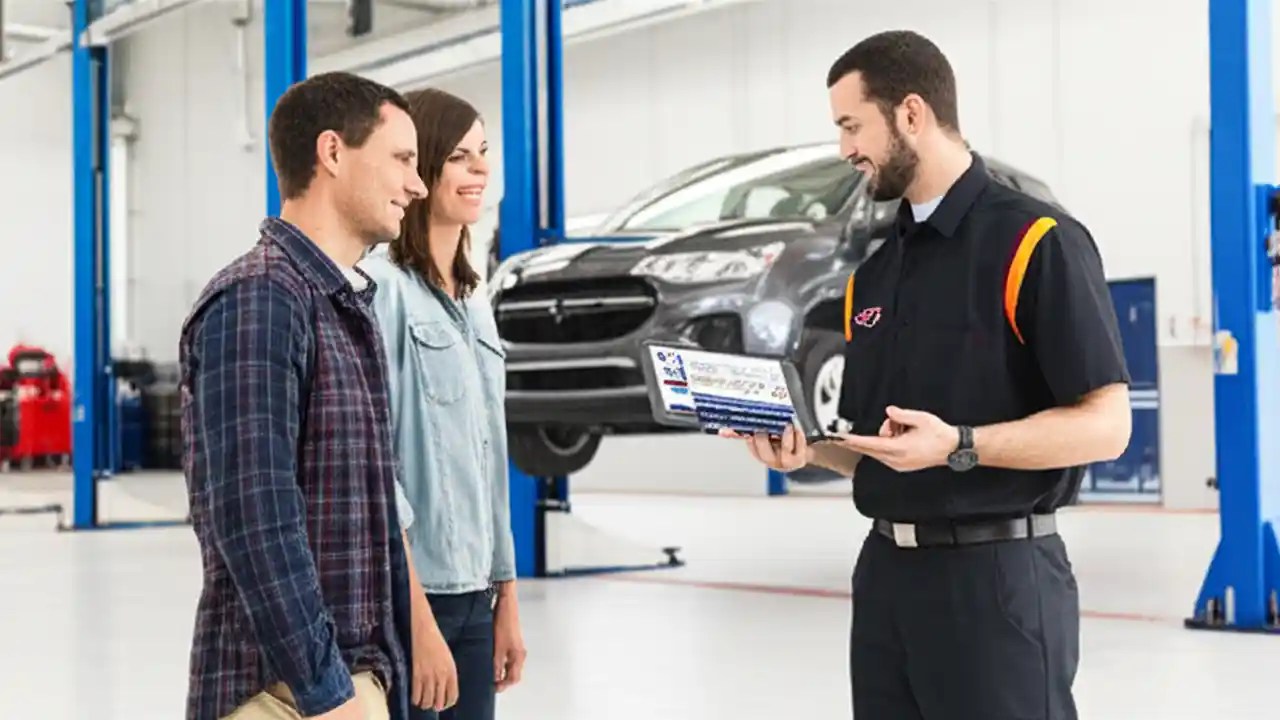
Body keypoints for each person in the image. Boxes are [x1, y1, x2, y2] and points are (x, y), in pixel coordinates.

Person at [725, 30, 1132, 720]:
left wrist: (961, 444)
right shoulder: (874, 275)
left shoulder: (1036, 241)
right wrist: (807, 449)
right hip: (886, 578)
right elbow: (881, 449)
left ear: (911, 113)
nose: (844, 148)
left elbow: (1107, 426)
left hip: (996, 581)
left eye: (852, 125)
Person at [180, 71, 429, 720]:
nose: (418, 185)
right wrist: (325, 692)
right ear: (333, 152)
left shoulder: (342, 303)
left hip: (346, 680)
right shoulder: (260, 299)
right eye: (402, 158)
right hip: (287, 695)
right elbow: (254, 518)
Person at [359, 87, 526, 720]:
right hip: (411, 598)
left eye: (483, 152)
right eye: (459, 156)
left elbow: (491, 458)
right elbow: (377, 466)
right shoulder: (382, 290)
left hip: (476, 597)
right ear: (421, 167)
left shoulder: (474, 302)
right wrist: (417, 621)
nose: (480, 169)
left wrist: (506, 595)